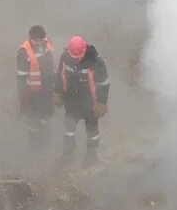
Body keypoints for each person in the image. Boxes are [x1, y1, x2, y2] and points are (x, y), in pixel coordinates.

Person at [55, 36, 110, 167]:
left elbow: (103, 83)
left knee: (92, 131)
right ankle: (67, 155)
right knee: (69, 129)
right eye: (74, 56)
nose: (76, 59)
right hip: (71, 101)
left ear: (84, 50)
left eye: (79, 56)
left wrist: (102, 103)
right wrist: (57, 92)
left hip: (91, 103)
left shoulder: (96, 61)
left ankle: (91, 156)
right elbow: (59, 75)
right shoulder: (64, 58)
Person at [16, 25, 56, 151]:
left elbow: (53, 66)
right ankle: (34, 148)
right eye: (36, 40)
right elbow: (21, 79)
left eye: (41, 40)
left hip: (48, 89)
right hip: (33, 93)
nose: (38, 43)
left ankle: (46, 144)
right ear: (30, 38)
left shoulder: (47, 44)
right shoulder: (23, 53)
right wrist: (23, 100)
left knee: (46, 117)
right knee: (32, 121)